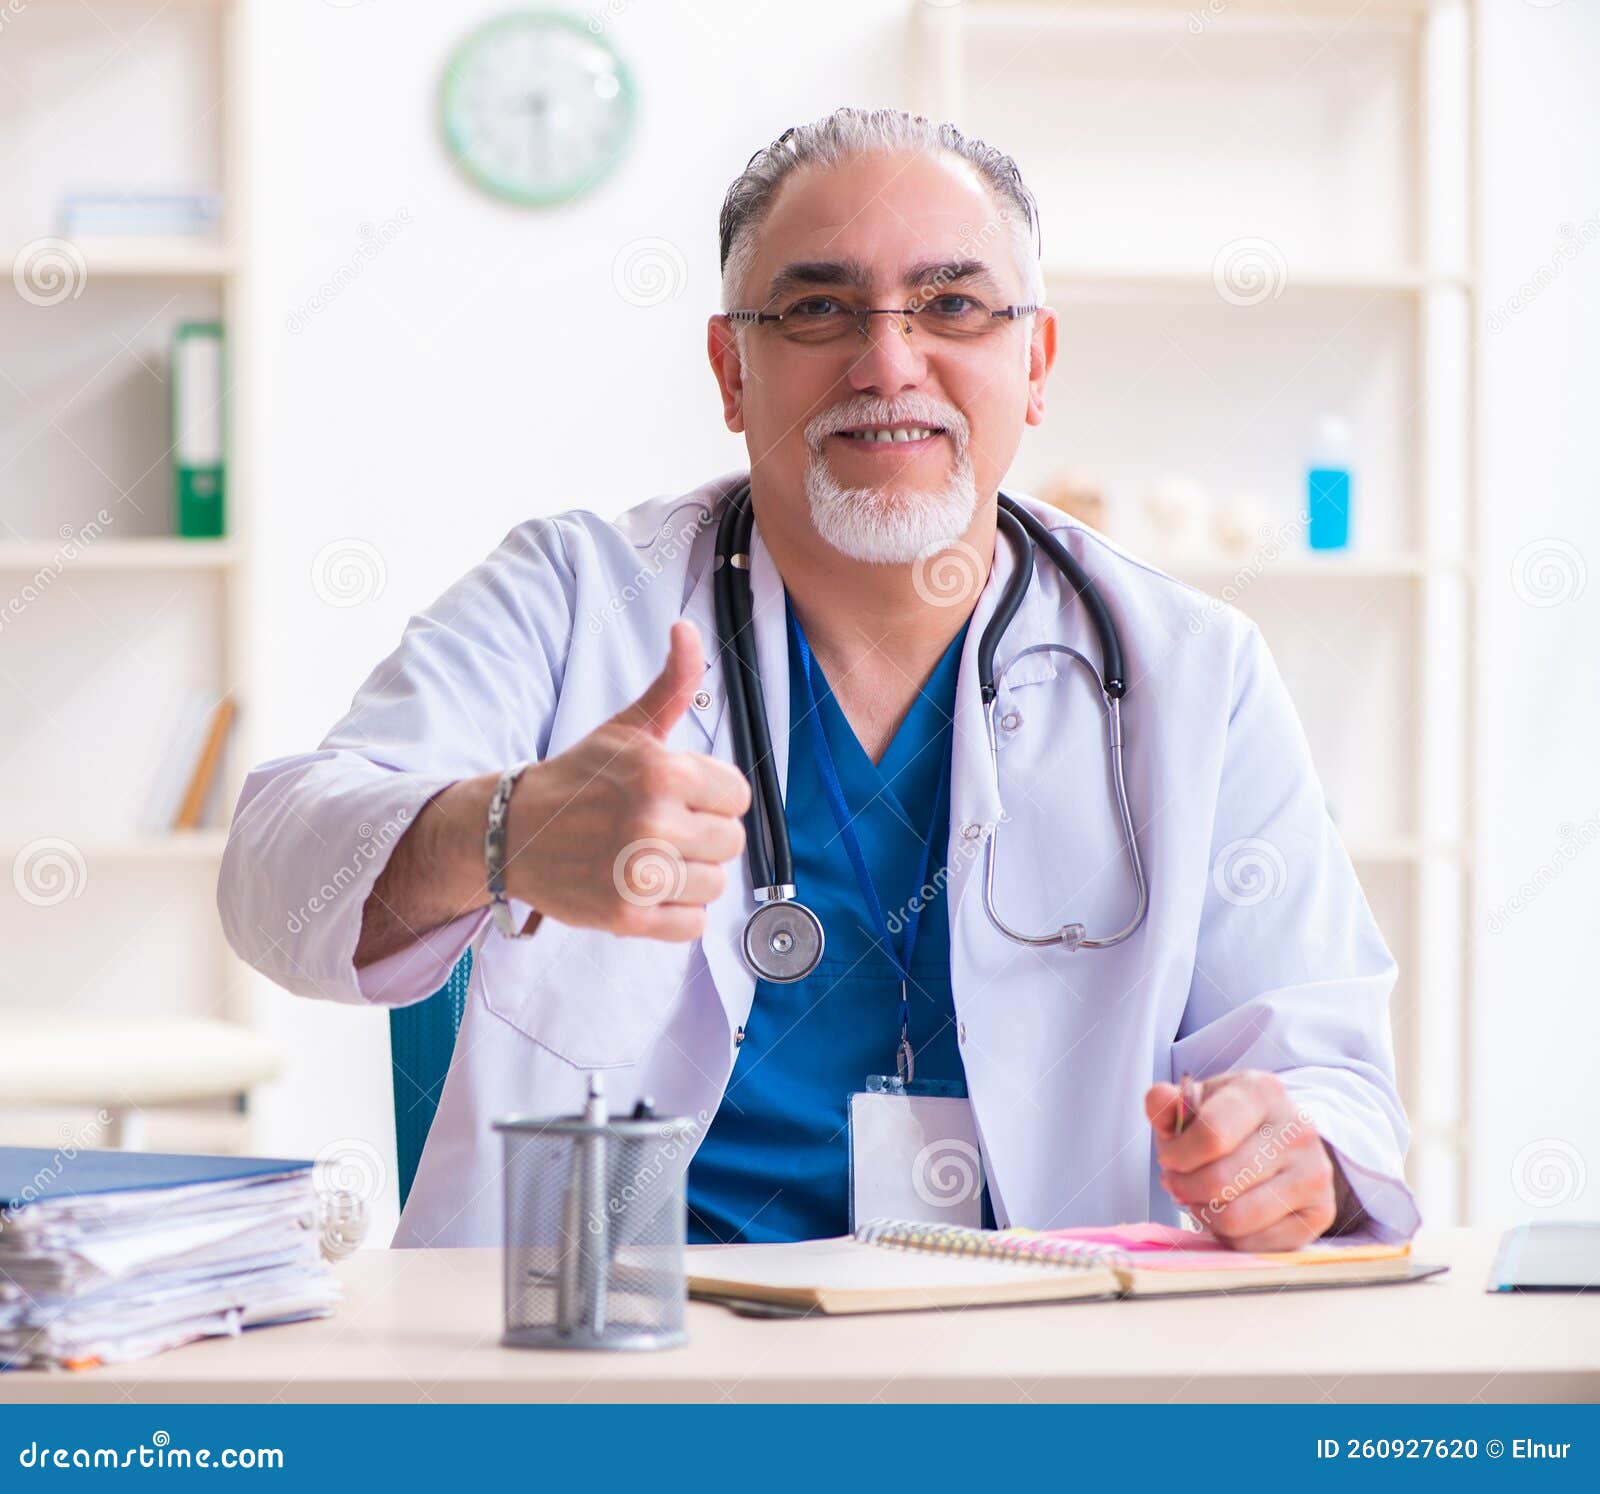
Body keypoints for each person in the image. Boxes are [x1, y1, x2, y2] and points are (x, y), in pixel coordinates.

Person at [219, 107, 1418, 1251]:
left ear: (1035, 358)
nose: (887, 360)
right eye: (817, 309)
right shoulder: (576, 596)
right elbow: (273, 875)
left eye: (951, 304)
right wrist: (501, 832)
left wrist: (1291, 1153)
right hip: (625, 1357)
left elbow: (1326, 1066)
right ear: (730, 370)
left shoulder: (1187, 670)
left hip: (1038, 1348)